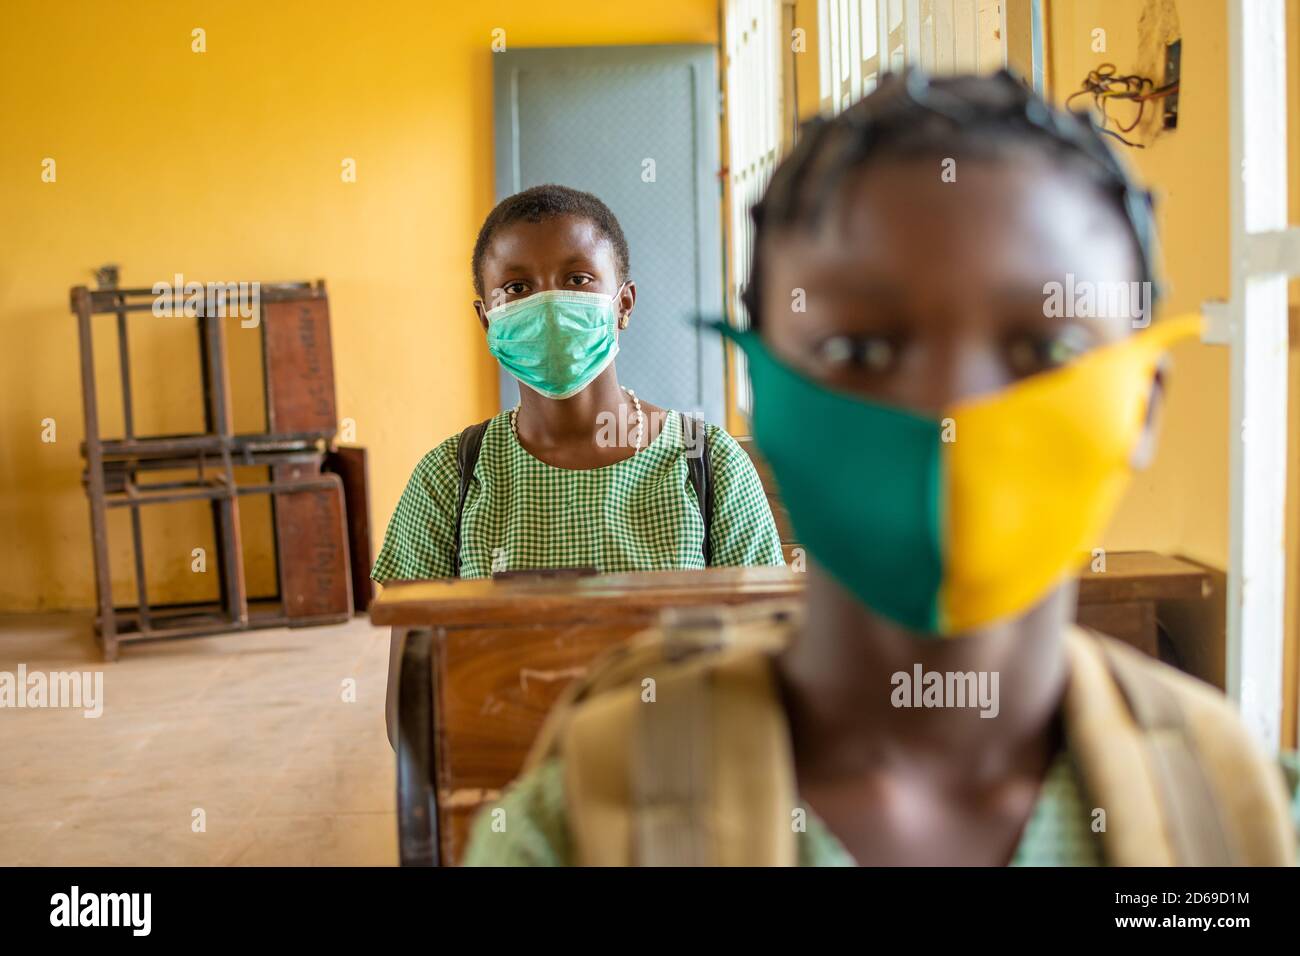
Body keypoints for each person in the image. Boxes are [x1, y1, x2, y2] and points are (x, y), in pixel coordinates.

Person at [461, 72, 1296, 866]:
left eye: (1043, 348)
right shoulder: (580, 833)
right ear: (764, 392)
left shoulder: (1245, 820)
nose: (948, 410)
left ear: (1144, 402)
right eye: (860, 348)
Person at [375, 184, 784, 742]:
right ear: (486, 317)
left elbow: (767, 660)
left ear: (624, 304)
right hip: (502, 790)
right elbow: (411, 702)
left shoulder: (706, 464)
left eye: (577, 279)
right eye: (516, 287)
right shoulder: (452, 476)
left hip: (686, 789)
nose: (549, 304)